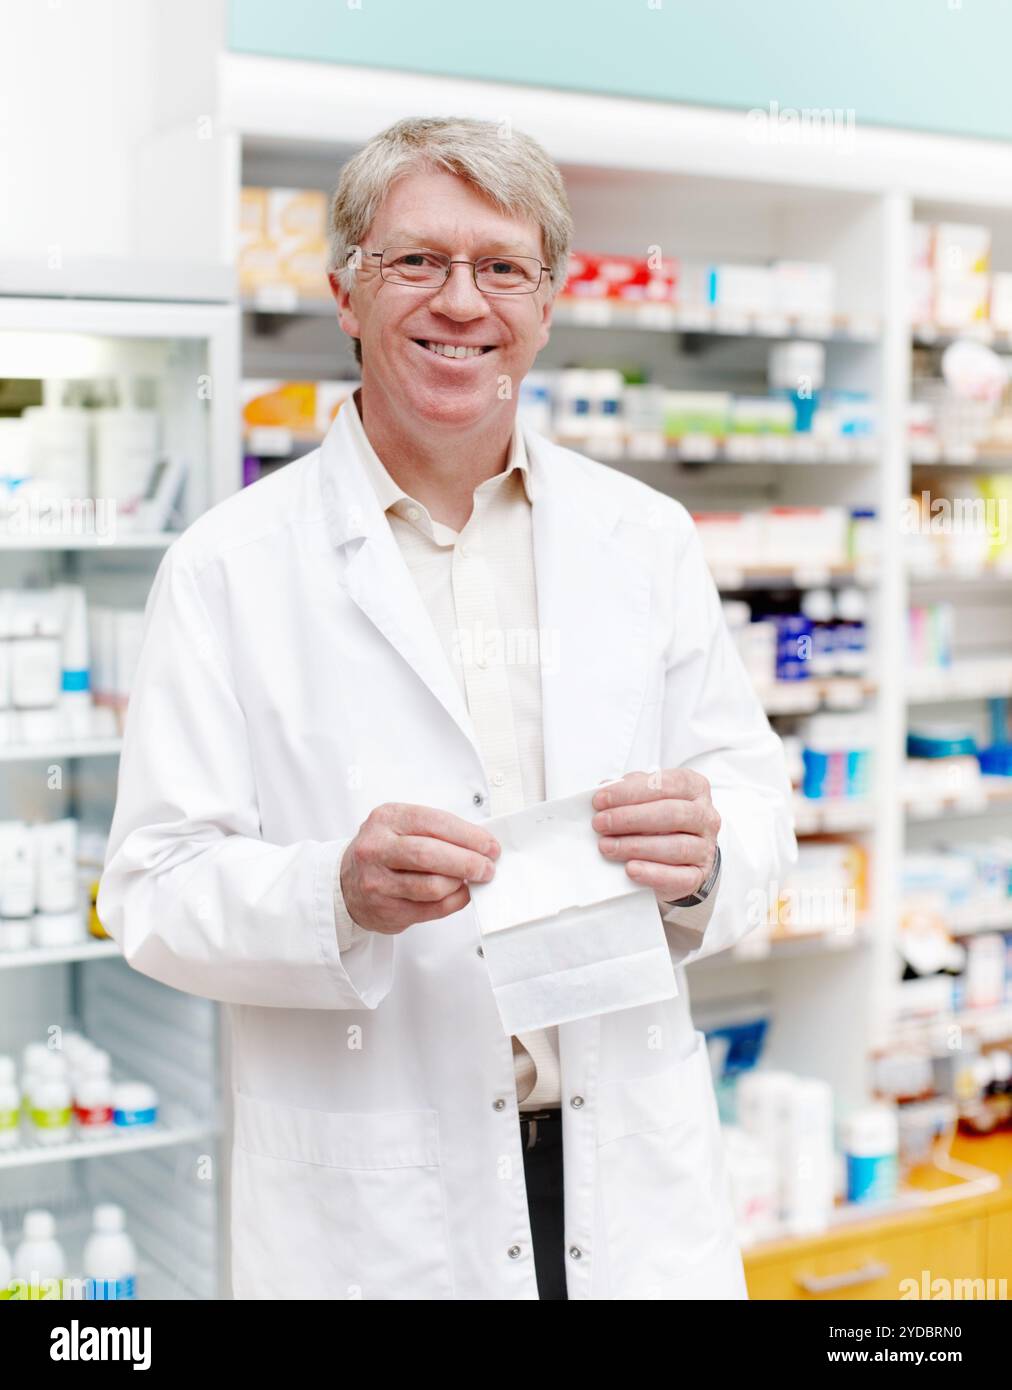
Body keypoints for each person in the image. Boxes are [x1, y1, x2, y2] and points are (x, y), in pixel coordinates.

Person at [98, 116, 797, 1301]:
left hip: (627, 1180)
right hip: (380, 1215)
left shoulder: (645, 539)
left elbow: (753, 805)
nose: (460, 301)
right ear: (345, 292)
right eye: (415, 261)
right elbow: (152, 889)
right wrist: (334, 893)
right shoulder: (226, 568)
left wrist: (706, 852)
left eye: (502, 267)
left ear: (545, 301)